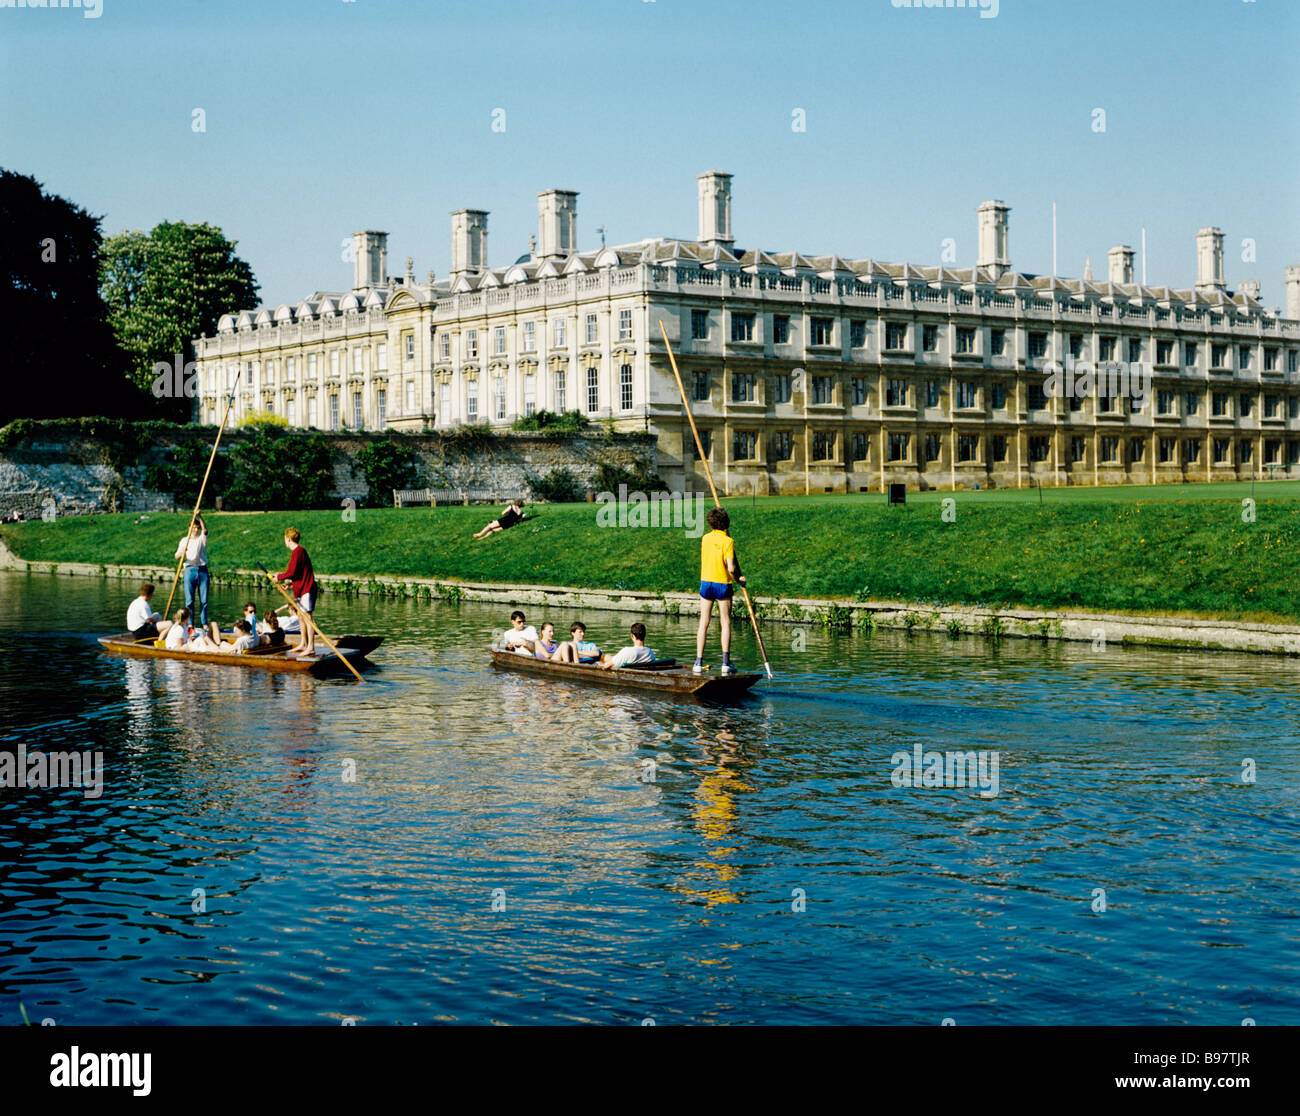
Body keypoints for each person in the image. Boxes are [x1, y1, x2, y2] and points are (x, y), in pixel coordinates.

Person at [694, 507, 744, 676]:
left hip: (706, 583)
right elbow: (731, 568)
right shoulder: (728, 541)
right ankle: (725, 663)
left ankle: (698, 662)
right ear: (726, 523)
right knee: (725, 622)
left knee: (704, 622)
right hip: (722, 584)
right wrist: (739, 579)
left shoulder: (705, 538)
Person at [275, 527, 317, 657]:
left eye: (285, 539)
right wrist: (289, 583)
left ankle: (310, 647)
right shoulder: (297, 552)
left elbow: (292, 572)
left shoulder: (298, 552)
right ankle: (303, 644)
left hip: (307, 589)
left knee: (308, 617)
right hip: (300, 588)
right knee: (300, 616)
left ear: (288, 539)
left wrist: (279, 577)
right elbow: (298, 573)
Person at [174, 514, 210, 627]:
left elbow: (205, 530)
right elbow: (177, 556)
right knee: (189, 601)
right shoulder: (184, 540)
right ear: (189, 528)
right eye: (193, 528)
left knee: (204, 601)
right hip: (190, 570)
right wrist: (182, 552)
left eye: (197, 528)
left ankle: (204, 623)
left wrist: (199, 516)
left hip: (202, 570)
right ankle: (190, 624)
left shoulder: (201, 539)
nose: (196, 530)